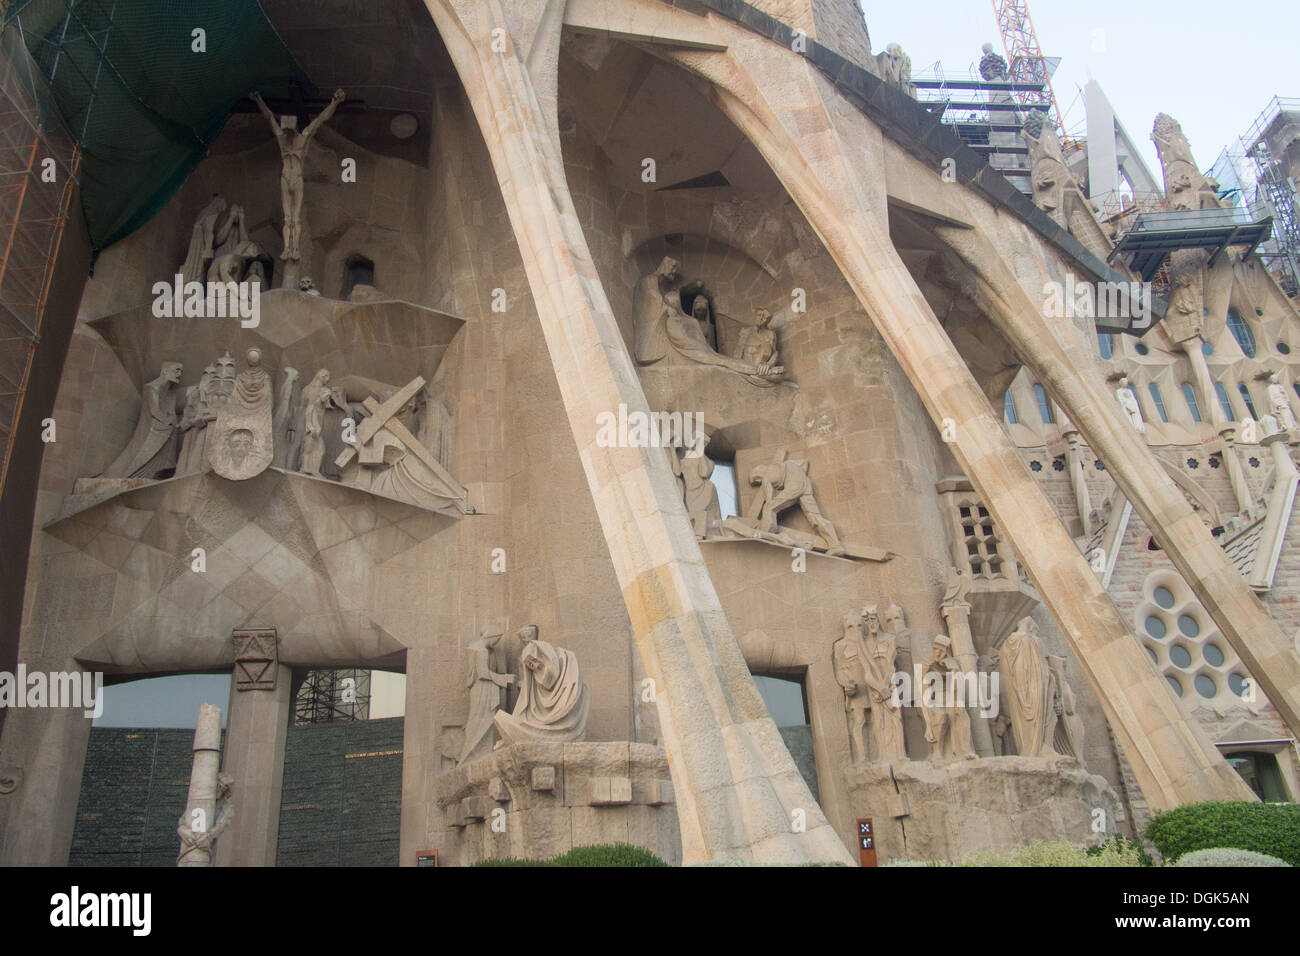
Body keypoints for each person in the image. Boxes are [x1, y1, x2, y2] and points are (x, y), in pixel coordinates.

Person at [250, 88, 345, 261]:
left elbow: (320, 119)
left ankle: (295, 249)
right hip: (286, 178)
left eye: (288, 130)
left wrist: (334, 102)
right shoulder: (281, 139)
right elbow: (270, 117)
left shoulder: (303, 138)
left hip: (296, 178)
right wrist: (258, 100)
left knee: (296, 217)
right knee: (288, 218)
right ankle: (287, 249)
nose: (285, 133)